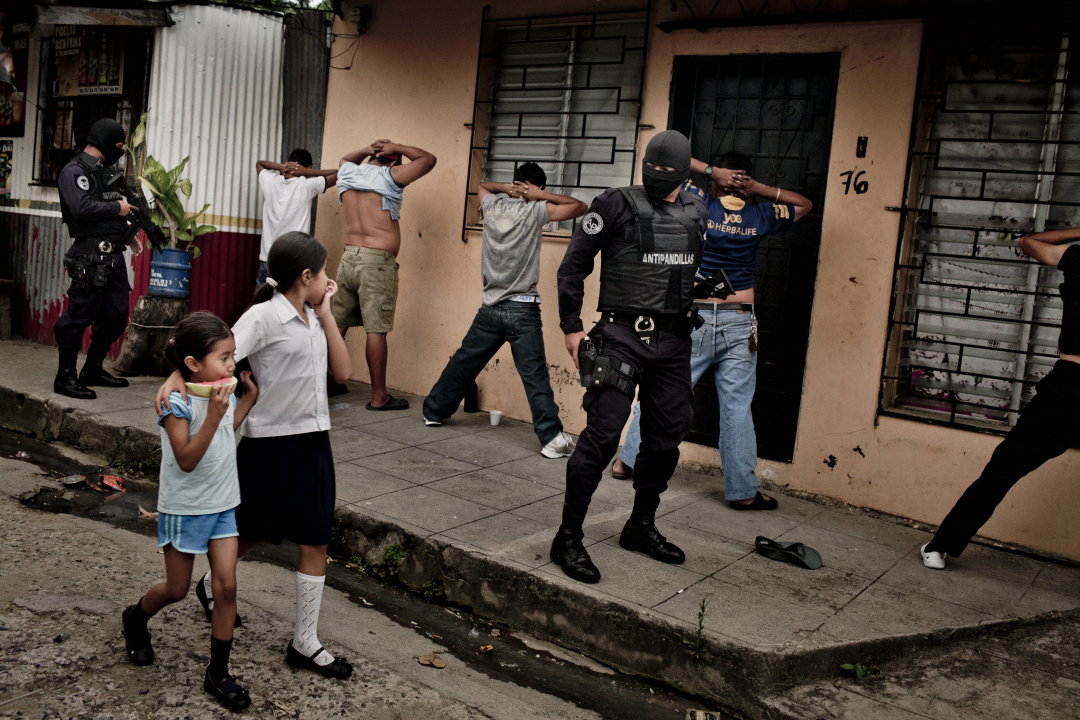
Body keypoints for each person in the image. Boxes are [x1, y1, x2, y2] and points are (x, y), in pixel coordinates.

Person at [156, 231, 354, 680]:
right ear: (306, 276)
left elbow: (342, 371)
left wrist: (325, 314)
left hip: (314, 440)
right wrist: (174, 376)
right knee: (256, 529)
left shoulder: (313, 316)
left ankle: (305, 641)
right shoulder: (263, 317)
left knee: (315, 536)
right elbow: (211, 353)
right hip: (269, 443)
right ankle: (210, 583)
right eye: (323, 272)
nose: (329, 278)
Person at [553, 130, 714, 584]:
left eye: (669, 171)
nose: (658, 176)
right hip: (621, 335)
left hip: (674, 341)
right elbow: (574, 266)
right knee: (603, 437)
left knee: (665, 440)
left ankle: (640, 526)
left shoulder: (697, 210)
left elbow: (678, 270)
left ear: (685, 172)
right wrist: (572, 326)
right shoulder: (613, 204)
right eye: (652, 167)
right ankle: (568, 536)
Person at [612, 151, 813, 510]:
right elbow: (804, 204)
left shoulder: (698, 204)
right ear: (747, 180)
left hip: (697, 316)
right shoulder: (760, 214)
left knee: (663, 393)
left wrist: (711, 171)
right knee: (736, 407)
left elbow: (667, 160)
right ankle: (744, 492)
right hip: (738, 318)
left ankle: (625, 460)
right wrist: (758, 188)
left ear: (717, 180)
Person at [120, 311, 259, 712]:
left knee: (227, 587)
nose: (233, 364)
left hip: (223, 505)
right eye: (224, 356)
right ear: (193, 363)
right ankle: (135, 617)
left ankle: (218, 672)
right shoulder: (174, 402)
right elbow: (185, 458)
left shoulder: (222, 389)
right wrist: (214, 414)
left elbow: (223, 430)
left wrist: (245, 399)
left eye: (233, 355)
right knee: (177, 589)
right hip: (185, 509)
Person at [921, 227, 1080, 570]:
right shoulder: (1078, 258)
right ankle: (941, 543)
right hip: (1069, 388)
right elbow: (1029, 242)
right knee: (1004, 469)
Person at [422, 162, 587, 458]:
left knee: (464, 361)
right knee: (535, 376)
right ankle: (551, 439)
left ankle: (433, 411)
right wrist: (539, 194)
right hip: (522, 310)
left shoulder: (493, 206)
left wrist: (508, 188)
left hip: (490, 308)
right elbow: (579, 206)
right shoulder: (535, 210)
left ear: (515, 183)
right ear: (535, 187)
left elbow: (483, 186)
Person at [332, 138, 436, 411]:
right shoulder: (391, 175)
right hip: (376, 263)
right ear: (394, 160)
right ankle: (379, 397)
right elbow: (427, 159)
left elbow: (345, 157)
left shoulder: (347, 172)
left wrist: (367, 149)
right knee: (376, 329)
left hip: (349, 257)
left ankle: (322, 384)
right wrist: (398, 147)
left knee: (337, 325)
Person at [53, 117, 142, 400]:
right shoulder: (74, 170)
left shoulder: (102, 172)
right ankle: (65, 376)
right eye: (118, 145)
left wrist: (126, 233)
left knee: (115, 317)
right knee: (78, 316)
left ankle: (92, 368)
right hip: (89, 256)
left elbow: (108, 212)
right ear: (104, 141)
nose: (120, 150)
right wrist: (118, 208)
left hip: (113, 257)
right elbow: (81, 208)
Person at [255, 148, 338, 287]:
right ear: (309, 167)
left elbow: (259, 164)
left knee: (260, 305)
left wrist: (280, 167)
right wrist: (307, 173)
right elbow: (340, 173)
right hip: (293, 260)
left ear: (287, 163)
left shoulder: (270, 180)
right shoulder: (306, 185)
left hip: (267, 258)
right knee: (289, 305)